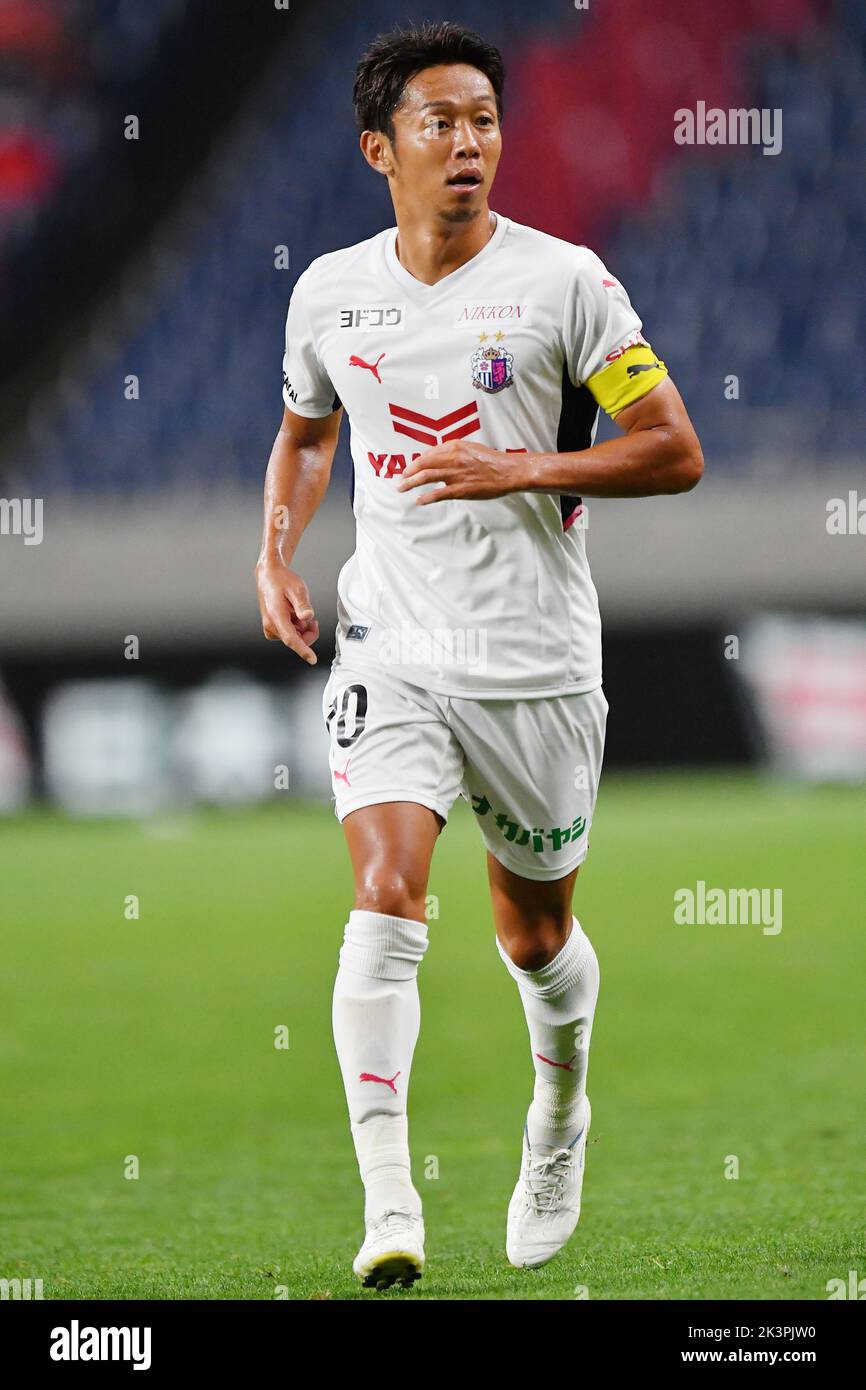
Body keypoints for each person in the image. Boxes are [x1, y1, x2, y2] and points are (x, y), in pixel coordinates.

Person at [255, 20, 703, 1291]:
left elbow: (671, 448)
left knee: (531, 935)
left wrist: (528, 465)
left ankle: (557, 1115)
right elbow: (303, 435)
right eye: (440, 123)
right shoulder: (329, 292)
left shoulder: (564, 283)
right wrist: (276, 555)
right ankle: (389, 1205)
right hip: (387, 642)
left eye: (484, 122)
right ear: (376, 148)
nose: (468, 144)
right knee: (385, 898)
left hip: (534, 660)